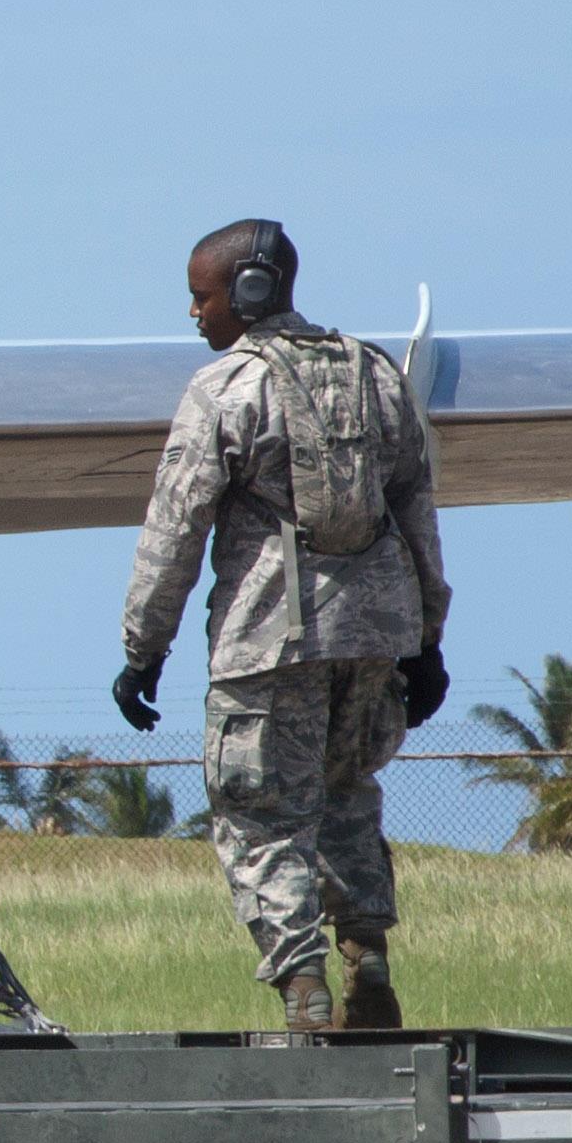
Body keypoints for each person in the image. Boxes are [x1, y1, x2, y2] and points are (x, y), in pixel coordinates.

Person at [113, 218, 448, 1033]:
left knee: (261, 815)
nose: (195, 313)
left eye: (203, 295)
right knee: (346, 797)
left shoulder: (225, 389)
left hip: (269, 644)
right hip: (373, 641)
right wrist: (427, 638)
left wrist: (142, 647)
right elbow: (417, 511)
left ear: (250, 290)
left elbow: (175, 528)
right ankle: (368, 961)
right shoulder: (375, 373)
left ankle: (304, 988)